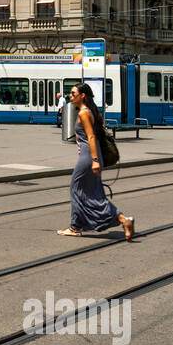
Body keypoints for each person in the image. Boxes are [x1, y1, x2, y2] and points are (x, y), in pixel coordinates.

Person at [57, 83, 135, 240]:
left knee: (76, 189)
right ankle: (123, 220)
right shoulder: (88, 111)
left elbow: (91, 136)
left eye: (73, 93)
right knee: (93, 192)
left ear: (82, 95)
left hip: (88, 156)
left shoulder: (84, 113)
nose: (70, 96)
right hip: (91, 155)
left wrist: (94, 160)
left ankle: (75, 227)